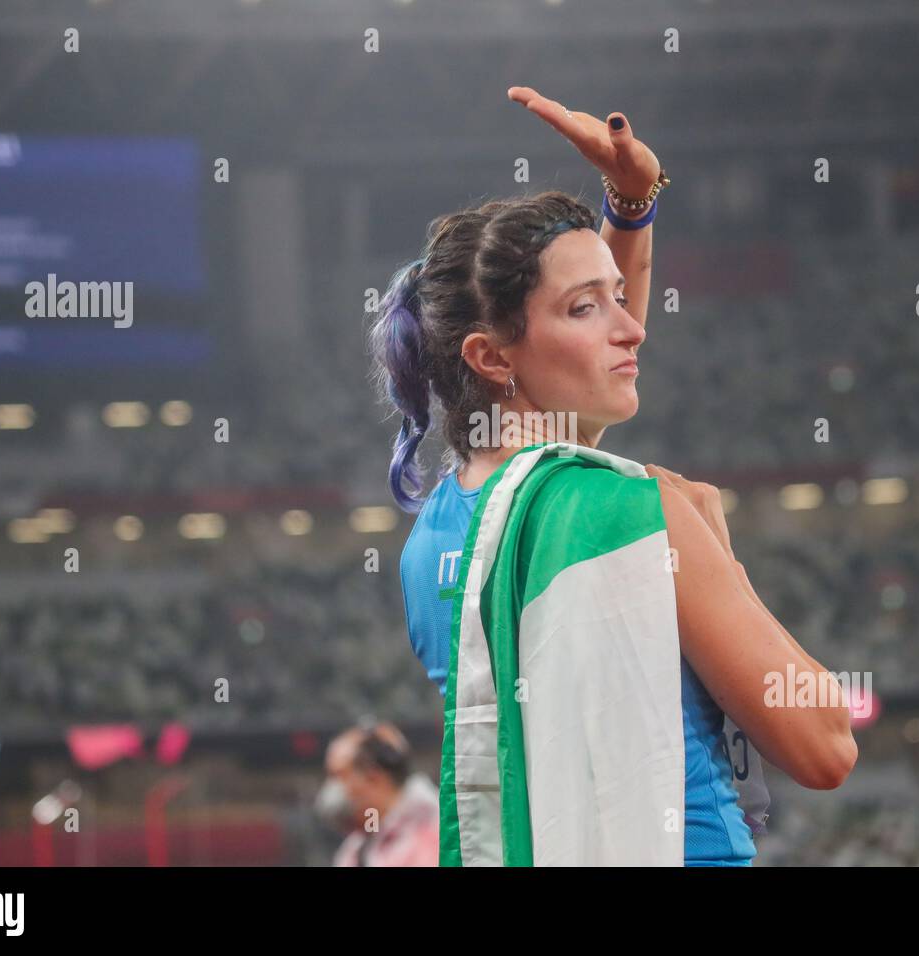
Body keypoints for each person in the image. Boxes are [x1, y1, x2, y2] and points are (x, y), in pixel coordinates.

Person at [368, 87, 856, 865]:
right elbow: (826, 745)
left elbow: (568, 392)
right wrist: (714, 552)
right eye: (587, 308)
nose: (630, 329)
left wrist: (631, 208)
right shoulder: (638, 512)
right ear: (492, 357)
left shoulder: (432, 542)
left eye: (619, 299)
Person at [315, 719, 438, 867]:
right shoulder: (359, 845)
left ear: (374, 777)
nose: (332, 788)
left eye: (339, 776)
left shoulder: (436, 833)